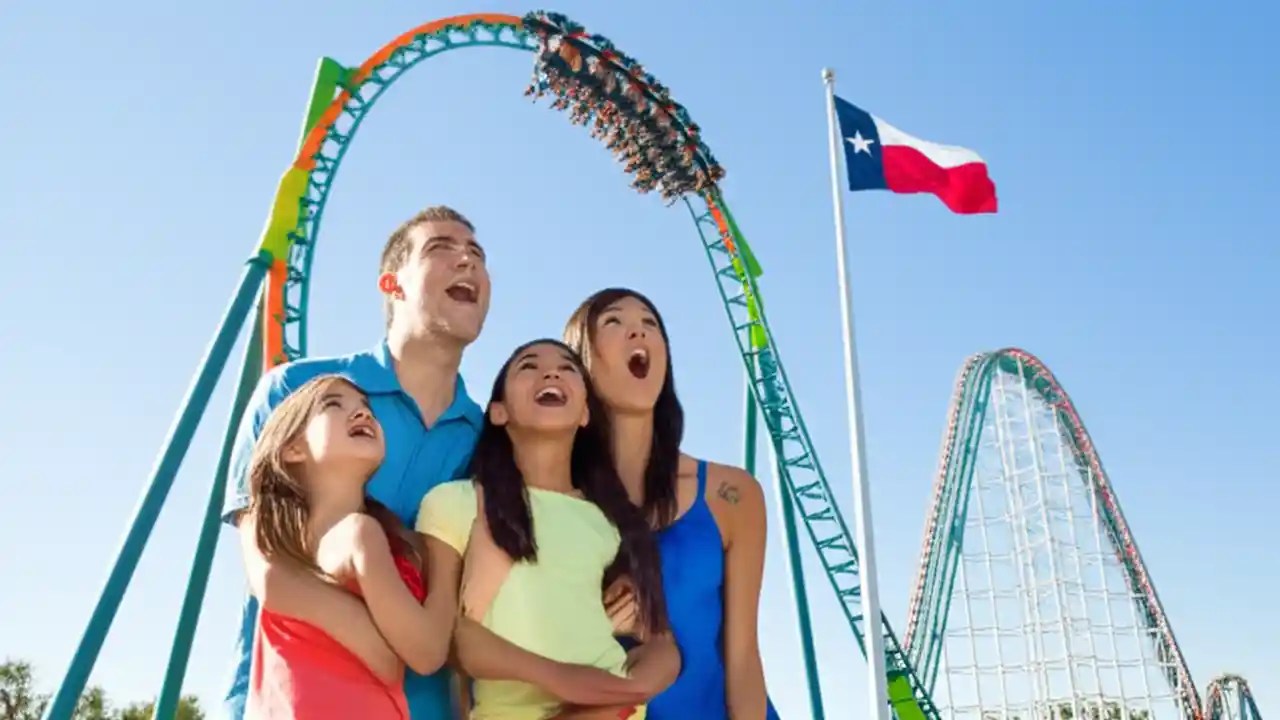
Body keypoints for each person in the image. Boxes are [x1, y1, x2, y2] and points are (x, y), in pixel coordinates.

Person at [221, 205, 492, 720]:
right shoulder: (298, 393)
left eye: (477, 254)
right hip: (290, 701)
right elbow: (267, 567)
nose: (468, 261)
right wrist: (385, 652)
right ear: (393, 284)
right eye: (442, 248)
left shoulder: (490, 444)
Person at [416, 339, 681, 719]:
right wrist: (563, 680)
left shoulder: (610, 521)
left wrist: (630, 690)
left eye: (568, 368)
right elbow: (451, 635)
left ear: (586, 413)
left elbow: (661, 642)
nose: (551, 372)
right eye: (528, 366)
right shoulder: (456, 502)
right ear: (498, 412)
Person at [564, 288, 781, 720]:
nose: (638, 331)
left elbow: (742, 658)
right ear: (579, 360)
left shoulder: (731, 494)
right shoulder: (556, 503)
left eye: (650, 323)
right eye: (614, 322)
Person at [240, 374, 453, 718]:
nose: (362, 414)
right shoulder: (295, 534)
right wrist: (447, 558)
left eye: (366, 408)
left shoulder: (391, 543)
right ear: (293, 448)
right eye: (333, 405)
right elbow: (420, 655)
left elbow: (417, 656)